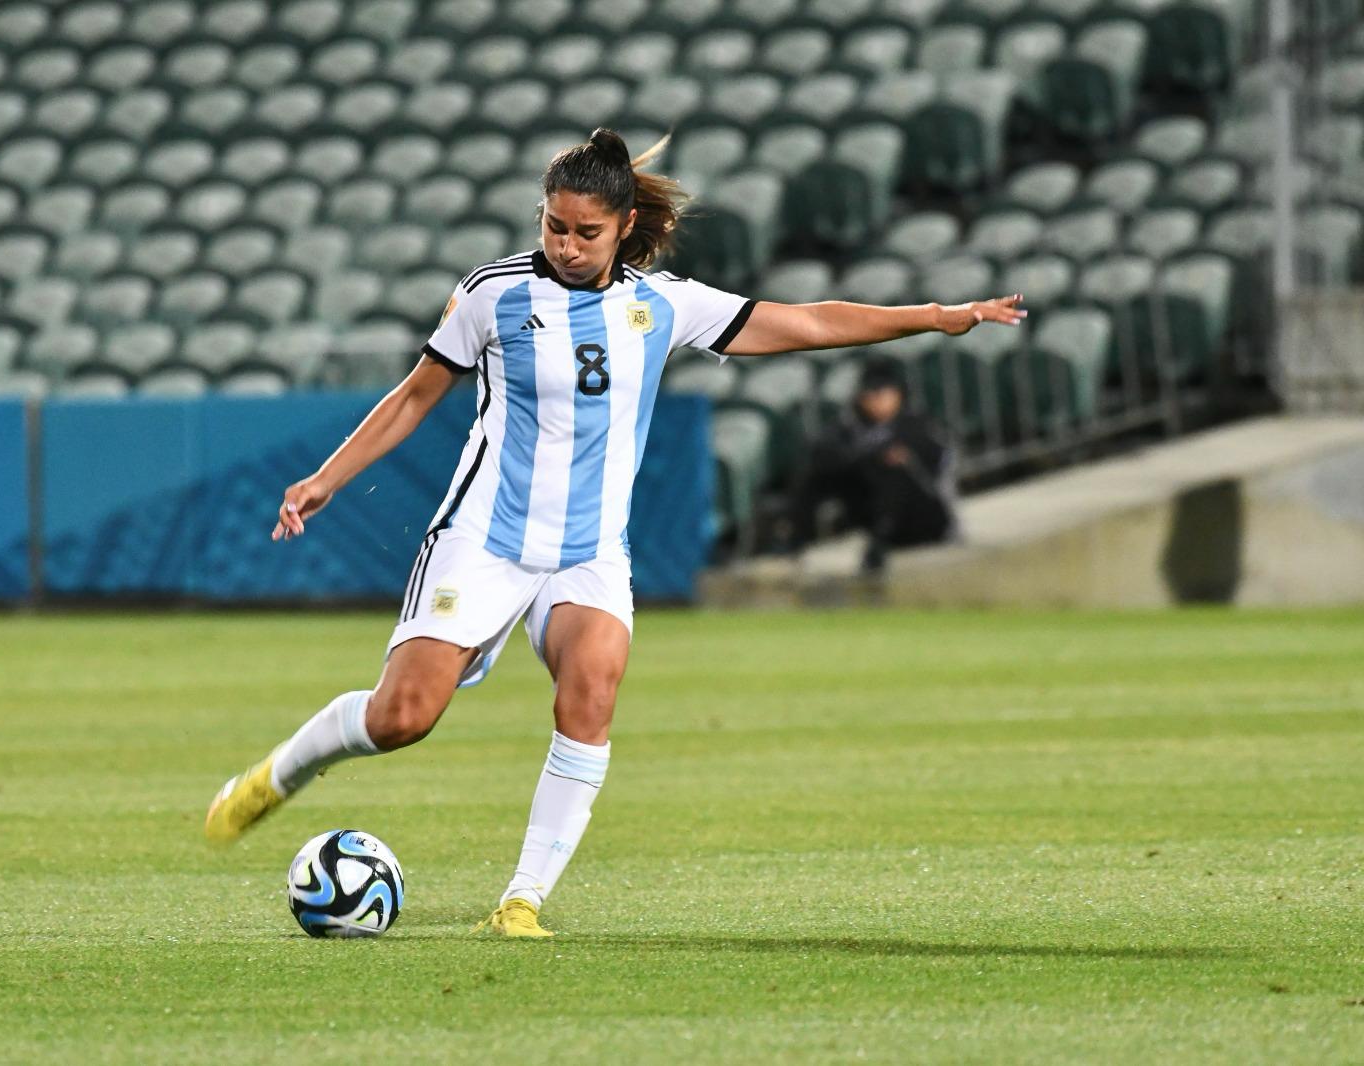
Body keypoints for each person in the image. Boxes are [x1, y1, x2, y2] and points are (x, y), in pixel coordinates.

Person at [203, 128, 1026, 937]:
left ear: (625, 226)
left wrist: (932, 315)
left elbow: (807, 323)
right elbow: (416, 396)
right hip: (484, 540)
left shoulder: (660, 306)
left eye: (585, 231)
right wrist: (324, 479)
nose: (565, 244)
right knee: (403, 719)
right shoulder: (492, 294)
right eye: (553, 226)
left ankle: (521, 900)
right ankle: (281, 772)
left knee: (592, 691)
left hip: (589, 553)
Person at [791, 356, 959, 571]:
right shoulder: (852, 426)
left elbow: (928, 467)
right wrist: (865, 457)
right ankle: (797, 540)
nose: (874, 400)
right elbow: (823, 453)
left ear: (898, 394)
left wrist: (876, 456)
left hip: (924, 518)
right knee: (818, 473)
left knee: (894, 466)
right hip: (872, 514)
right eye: (869, 394)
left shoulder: (917, 424)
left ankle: (879, 544)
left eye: (881, 393)